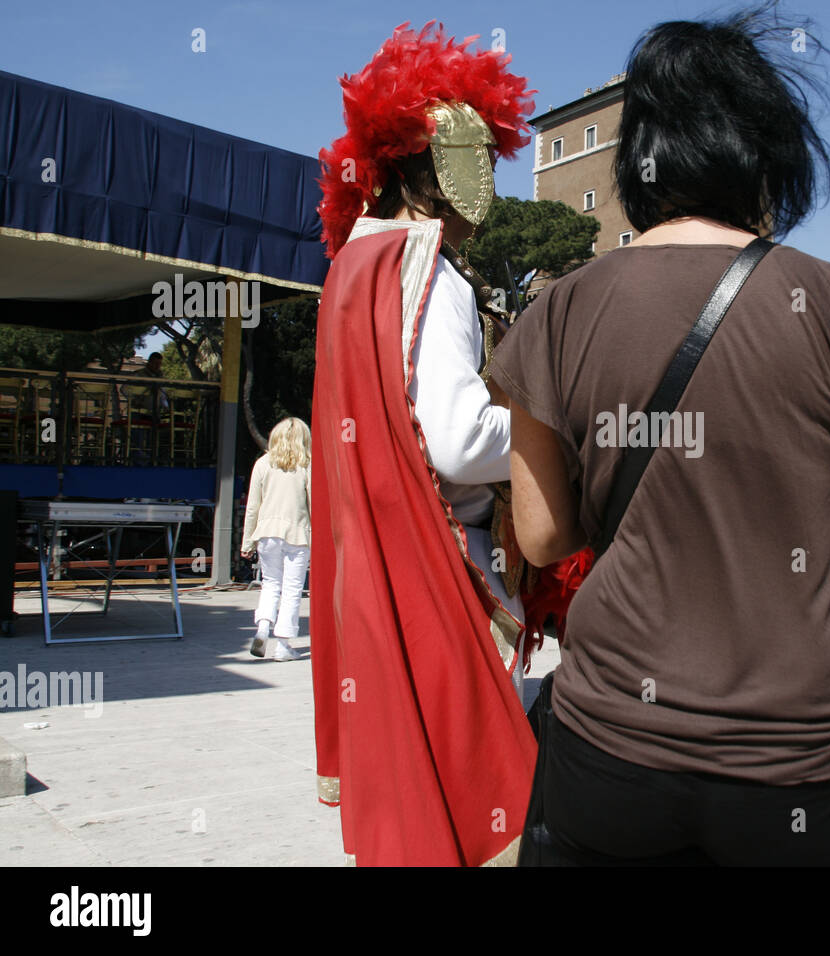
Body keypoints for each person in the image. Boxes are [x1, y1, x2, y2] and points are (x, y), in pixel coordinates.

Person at [493, 11, 830, 866]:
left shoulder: (558, 309)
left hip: (613, 733)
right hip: (799, 754)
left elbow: (543, 537)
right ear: (769, 155)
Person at [311, 22, 562, 866]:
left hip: (371, 572)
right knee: (483, 806)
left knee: (405, 799)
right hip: (443, 563)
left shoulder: (351, 263)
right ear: (442, 168)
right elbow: (456, 445)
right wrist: (553, 436)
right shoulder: (429, 265)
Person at [240, 417, 310, 661]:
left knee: (270, 583)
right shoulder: (306, 465)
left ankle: (262, 627)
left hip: (267, 533)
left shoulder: (262, 464)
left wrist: (247, 542)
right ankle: (283, 644)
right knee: (292, 589)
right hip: (298, 534)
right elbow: (315, 505)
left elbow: (252, 507)